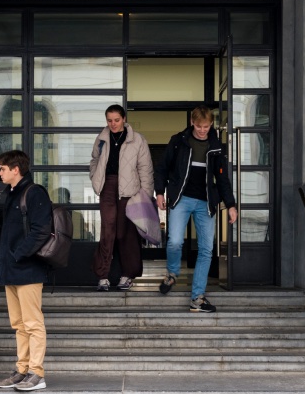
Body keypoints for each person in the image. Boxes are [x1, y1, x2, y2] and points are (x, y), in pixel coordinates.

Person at [154, 106, 237, 313]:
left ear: (211, 125)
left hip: (206, 203)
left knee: (206, 250)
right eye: (199, 126)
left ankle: (197, 298)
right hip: (181, 199)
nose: (202, 130)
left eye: (206, 127)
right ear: (192, 122)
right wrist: (159, 193)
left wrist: (231, 205)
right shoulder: (178, 142)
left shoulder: (216, 146)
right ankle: (172, 273)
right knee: (174, 241)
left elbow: (222, 178)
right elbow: (162, 168)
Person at [0, 150, 53, 392]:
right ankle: (22, 370)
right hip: (12, 270)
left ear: (15, 169)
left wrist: (19, 254)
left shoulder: (34, 192)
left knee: (33, 323)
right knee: (18, 324)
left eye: (2, 169)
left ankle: (37, 373)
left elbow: (41, 230)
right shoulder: (11, 193)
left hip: (28, 270)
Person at [89, 104, 154, 291]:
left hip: (130, 190)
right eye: (109, 120)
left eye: (116, 120)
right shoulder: (101, 138)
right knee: (107, 229)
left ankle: (127, 275)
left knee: (126, 233)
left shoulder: (137, 140)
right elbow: (94, 160)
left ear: (124, 119)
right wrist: (95, 178)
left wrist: (145, 195)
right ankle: (102, 276)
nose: (113, 124)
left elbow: (145, 169)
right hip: (107, 187)